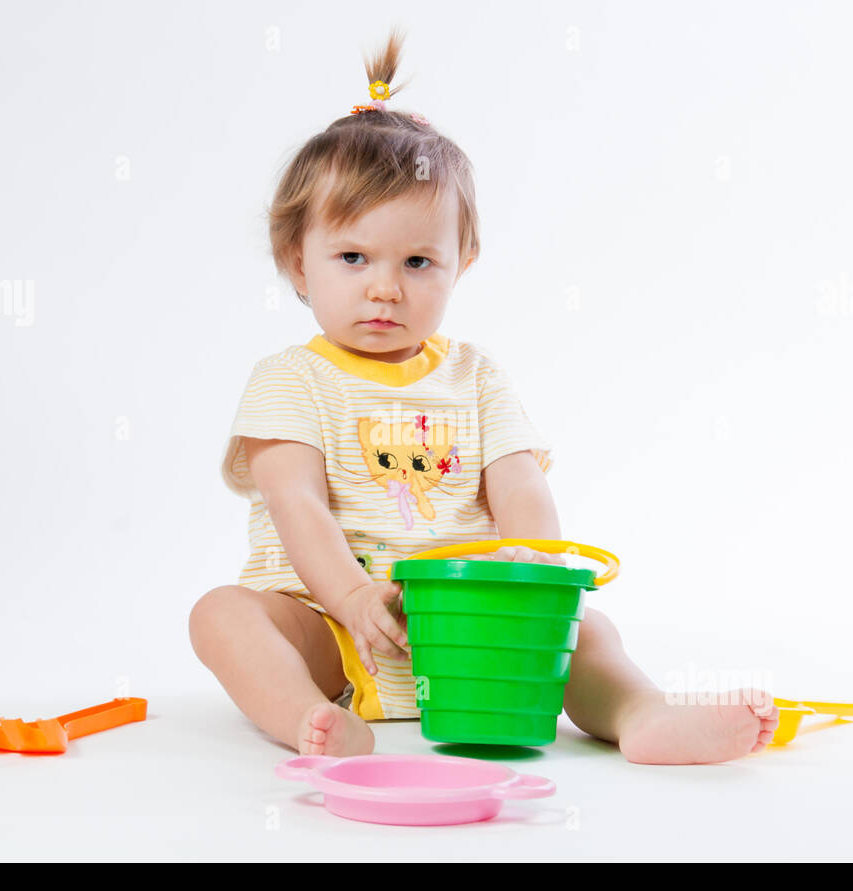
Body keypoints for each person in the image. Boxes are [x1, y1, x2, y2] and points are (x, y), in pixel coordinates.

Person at [189, 27, 778, 763]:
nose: (385, 286)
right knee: (223, 616)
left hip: (467, 619)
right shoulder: (291, 378)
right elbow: (297, 503)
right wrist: (350, 598)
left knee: (585, 629)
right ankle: (310, 715)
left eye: (417, 260)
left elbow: (519, 484)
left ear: (461, 264)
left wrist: (533, 566)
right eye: (352, 256)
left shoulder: (476, 376)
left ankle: (641, 713)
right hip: (332, 624)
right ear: (296, 262)